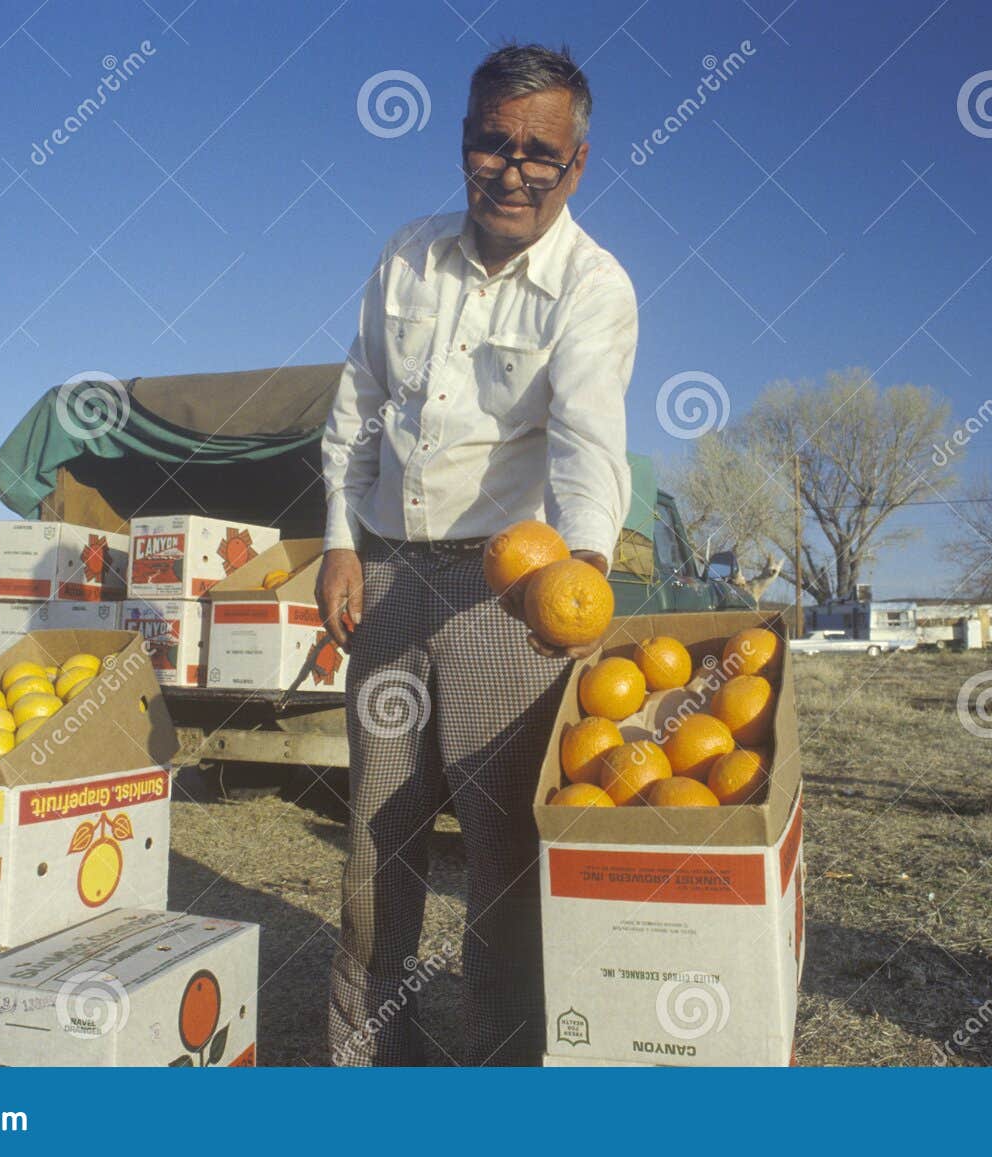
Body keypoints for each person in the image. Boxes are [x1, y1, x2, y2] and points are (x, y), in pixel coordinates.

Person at [316, 42, 638, 1066]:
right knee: (377, 842)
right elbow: (357, 408)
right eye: (492, 144)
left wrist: (583, 568)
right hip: (389, 578)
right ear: (463, 143)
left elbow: (588, 439)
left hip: (512, 596)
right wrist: (338, 541)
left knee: (505, 860)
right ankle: (371, 1066)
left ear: (576, 164)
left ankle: (503, 1070)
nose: (512, 170)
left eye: (540, 152)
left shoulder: (591, 286)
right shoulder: (407, 257)